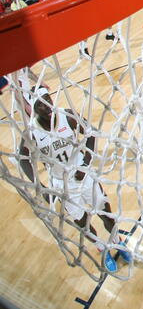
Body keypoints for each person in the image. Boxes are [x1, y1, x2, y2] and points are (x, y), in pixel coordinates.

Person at [17, 86, 131, 273]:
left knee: (105, 212)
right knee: (82, 222)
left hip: (82, 173)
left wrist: (85, 161)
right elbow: (23, 159)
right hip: (61, 183)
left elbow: (91, 132)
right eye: (41, 105)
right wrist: (41, 186)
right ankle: (102, 249)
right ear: (34, 109)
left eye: (48, 101)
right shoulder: (32, 131)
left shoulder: (67, 116)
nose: (47, 107)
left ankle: (118, 242)